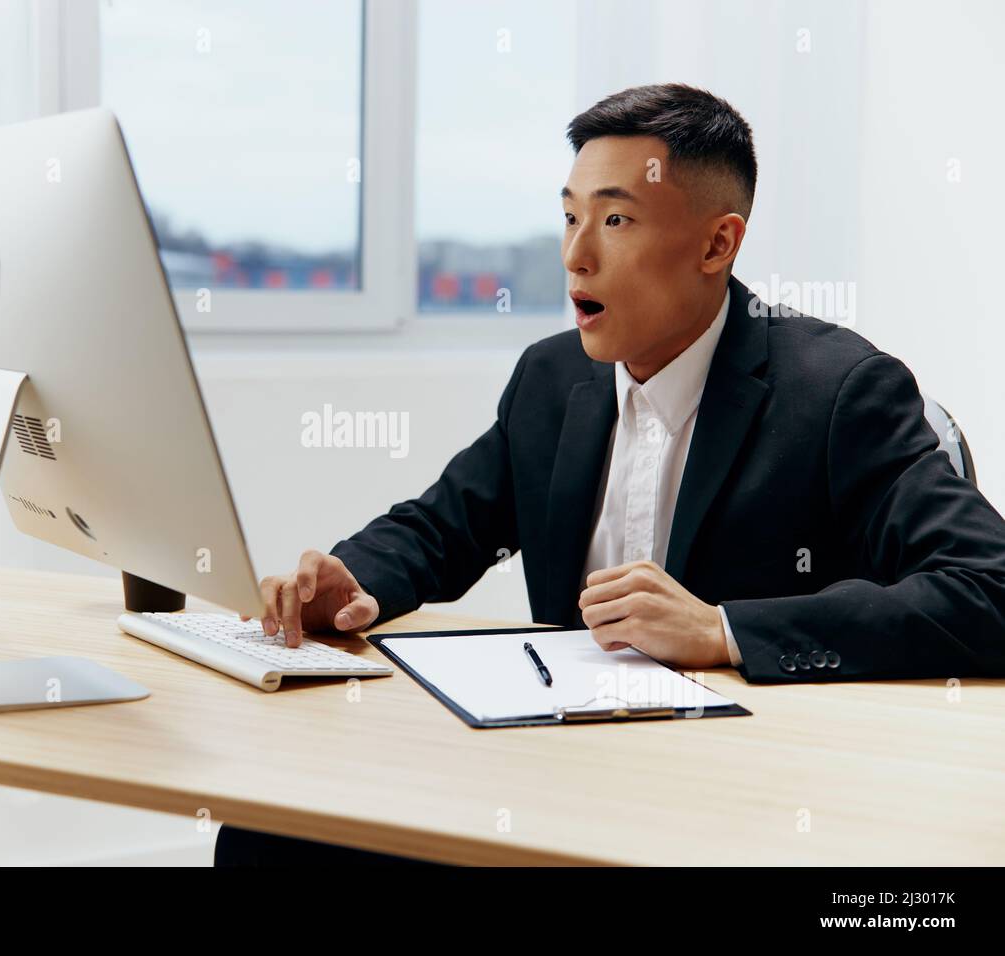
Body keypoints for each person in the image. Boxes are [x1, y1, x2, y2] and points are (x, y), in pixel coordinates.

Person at [215, 83, 1005, 866]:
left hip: (751, 802)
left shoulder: (838, 394)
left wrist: (722, 631)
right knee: (271, 835)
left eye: (616, 219)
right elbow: (445, 526)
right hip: (564, 781)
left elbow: (989, 588)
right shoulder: (553, 380)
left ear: (717, 245)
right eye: (570, 216)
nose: (575, 254)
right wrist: (355, 581)